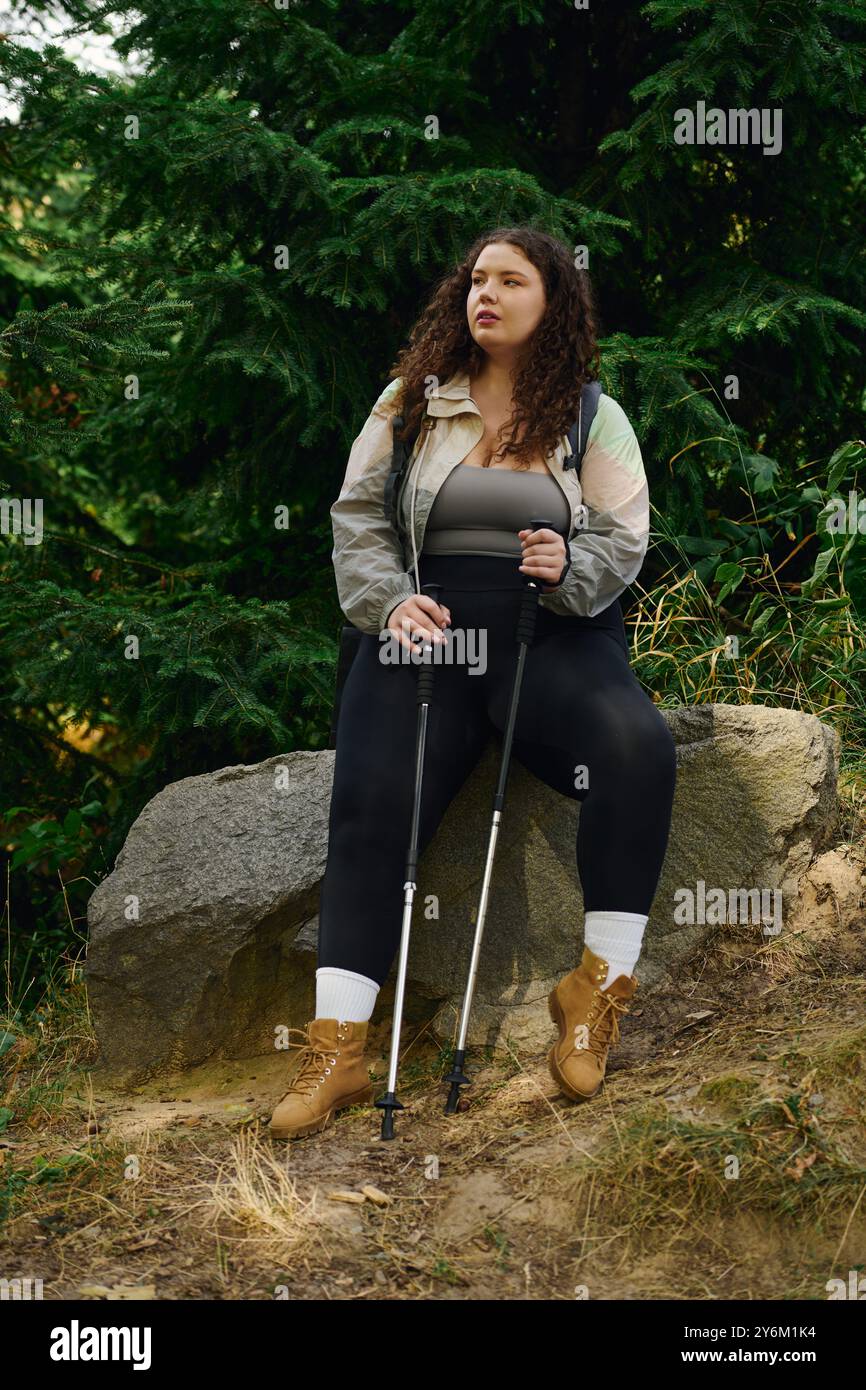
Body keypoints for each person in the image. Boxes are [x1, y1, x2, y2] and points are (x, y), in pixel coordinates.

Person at [269, 226, 677, 1141]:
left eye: (510, 280)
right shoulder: (409, 402)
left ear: (553, 302)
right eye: (475, 280)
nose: (483, 294)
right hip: (429, 632)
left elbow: (624, 533)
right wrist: (387, 604)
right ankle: (338, 1047)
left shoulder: (589, 411)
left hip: (550, 633)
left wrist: (567, 562)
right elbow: (357, 519)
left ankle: (595, 991)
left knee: (637, 746)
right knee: (372, 798)